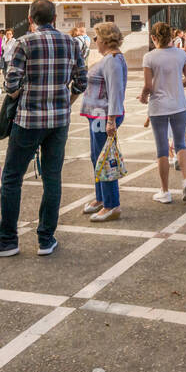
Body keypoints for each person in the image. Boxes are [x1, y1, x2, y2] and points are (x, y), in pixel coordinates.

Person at [0, 0, 86, 259]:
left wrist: (23, 93)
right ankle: (46, 239)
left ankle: (8, 239)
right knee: (52, 178)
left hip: (28, 121)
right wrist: (64, 102)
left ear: (30, 19)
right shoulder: (71, 43)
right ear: (55, 18)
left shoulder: (24, 43)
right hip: (58, 122)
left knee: (13, 178)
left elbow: (11, 84)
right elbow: (81, 82)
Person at [140, 21, 186, 204]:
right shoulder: (180, 54)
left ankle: (165, 191)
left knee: (162, 148)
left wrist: (143, 97)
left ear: (154, 38)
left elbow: (148, 85)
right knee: (180, 144)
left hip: (159, 108)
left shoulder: (149, 57)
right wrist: (178, 87)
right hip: (179, 105)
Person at [81, 22, 128, 222]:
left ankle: (111, 204)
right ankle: (102, 198)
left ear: (106, 39)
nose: (94, 41)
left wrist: (111, 120)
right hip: (98, 115)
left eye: (96, 37)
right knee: (97, 157)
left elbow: (116, 92)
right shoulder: (109, 59)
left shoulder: (112, 60)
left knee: (105, 159)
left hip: (103, 116)